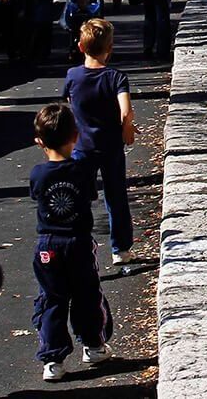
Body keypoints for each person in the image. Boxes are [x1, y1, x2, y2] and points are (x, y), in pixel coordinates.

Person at [28, 103, 113, 382]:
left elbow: (36, 196)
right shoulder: (81, 171)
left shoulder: (38, 174)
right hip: (77, 240)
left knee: (52, 299)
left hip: (48, 244)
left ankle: (52, 360)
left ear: (39, 141)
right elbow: (89, 196)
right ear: (74, 136)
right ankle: (93, 345)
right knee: (87, 293)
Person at [63, 18, 136, 265]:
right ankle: (121, 249)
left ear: (81, 47)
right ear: (110, 48)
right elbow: (126, 111)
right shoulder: (116, 78)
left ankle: (78, 243)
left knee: (79, 197)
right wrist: (127, 130)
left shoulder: (72, 76)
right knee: (116, 196)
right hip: (111, 145)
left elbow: (70, 107)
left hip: (82, 146)